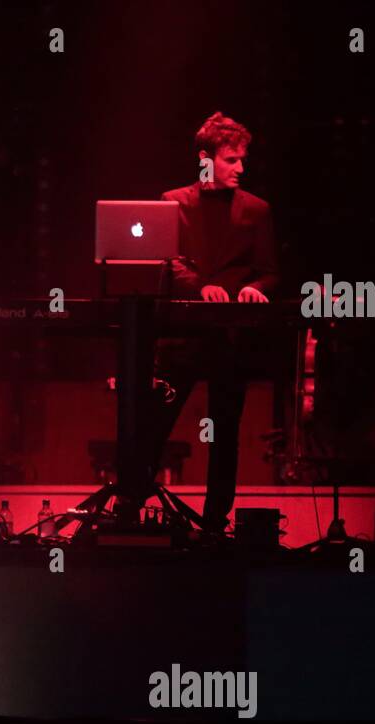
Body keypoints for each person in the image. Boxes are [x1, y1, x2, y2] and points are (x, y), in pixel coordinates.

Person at [154, 111, 280, 533]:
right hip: (182, 335)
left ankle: (214, 523)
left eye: (243, 160)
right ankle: (136, 507)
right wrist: (199, 286)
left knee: (226, 431)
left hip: (230, 336)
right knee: (158, 422)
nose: (241, 168)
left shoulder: (257, 210)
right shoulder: (173, 202)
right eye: (232, 160)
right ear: (205, 158)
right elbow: (166, 262)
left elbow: (269, 270)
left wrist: (256, 288)